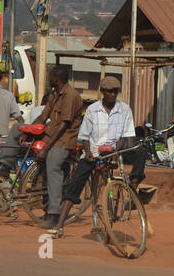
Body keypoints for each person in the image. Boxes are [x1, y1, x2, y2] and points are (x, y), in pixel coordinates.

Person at [48, 75, 138, 235]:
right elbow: (84, 136)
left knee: (140, 155)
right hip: (94, 152)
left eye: (115, 91)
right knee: (76, 183)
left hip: (114, 152)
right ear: (102, 91)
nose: (113, 94)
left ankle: (129, 199)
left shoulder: (125, 110)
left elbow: (124, 137)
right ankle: (60, 225)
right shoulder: (92, 109)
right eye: (109, 91)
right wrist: (88, 152)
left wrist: (116, 151)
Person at [33, 64, 83, 229]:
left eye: (50, 76)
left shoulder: (70, 96)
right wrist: (28, 130)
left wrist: (46, 148)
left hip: (64, 140)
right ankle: (3, 167)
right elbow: (43, 115)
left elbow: (63, 126)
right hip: (51, 135)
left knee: (53, 167)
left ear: (56, 78)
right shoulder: (53, 95)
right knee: (15, 132)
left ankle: (54, 213)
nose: (48, 79)